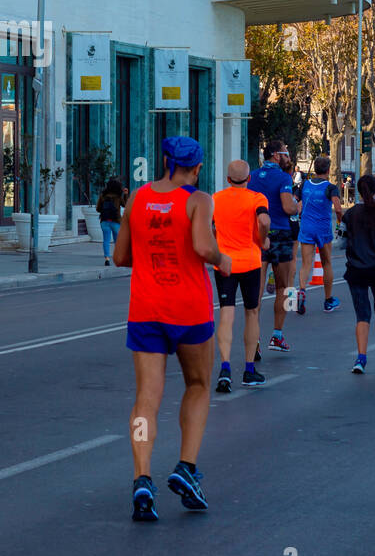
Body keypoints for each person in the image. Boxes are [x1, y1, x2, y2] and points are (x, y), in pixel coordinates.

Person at [113, 136, 221, 520]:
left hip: (146, 310)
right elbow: (203, 247)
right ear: (197, 167)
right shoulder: (199, 200)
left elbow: (119, 256)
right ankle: (186, 468)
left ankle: (143, 477)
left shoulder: (137, 198)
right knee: (198, 385)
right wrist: (222, 259)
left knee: (147, 399)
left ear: (165, 161)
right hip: (189, 310)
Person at [211, 160, 270, 392]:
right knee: (252, 312)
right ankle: (248, 369)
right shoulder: (256, 198)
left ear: (227, 179)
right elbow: (264, 220)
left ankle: (225, 367)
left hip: (225, 264)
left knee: (226, 313)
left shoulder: (216, 199)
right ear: (249, 179)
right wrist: (262, 238)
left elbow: (211, 227)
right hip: (250, 262)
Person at [249, 140, 300, 354]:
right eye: (286, 153)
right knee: (285, 287)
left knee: (257, 292)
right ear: (276, 155)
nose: (288, 157)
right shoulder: (283, 177)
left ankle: (255, 339)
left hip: (257, 234)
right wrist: (298, 204)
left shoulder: (251, 176)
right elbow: (288, 207)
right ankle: (277, 336)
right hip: (280, 232)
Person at [343, 174, 375, 373]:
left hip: (355, 269)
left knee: (362, 315)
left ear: (358, 190)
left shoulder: (351, 214)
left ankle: (360, 358)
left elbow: (342, 238)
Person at [296, 155, 344, 314]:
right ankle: (328, 300)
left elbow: (294, 202)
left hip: (306, 227)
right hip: (323, 230)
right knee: (326, 263)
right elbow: (338, 208)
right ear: (329, 170)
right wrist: (340, 222)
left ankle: (302, 290)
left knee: (305, 264)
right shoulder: (331, 187)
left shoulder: (304, 184)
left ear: (315, 169)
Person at [97, 178, 127, 267]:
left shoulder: (102, 196)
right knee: (117, 241)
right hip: (116, 222)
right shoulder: (118, 197)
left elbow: (98, 209)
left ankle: (107, 259)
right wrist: (125, 195)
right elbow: (125, 205)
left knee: (106, 240)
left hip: (104, 221)